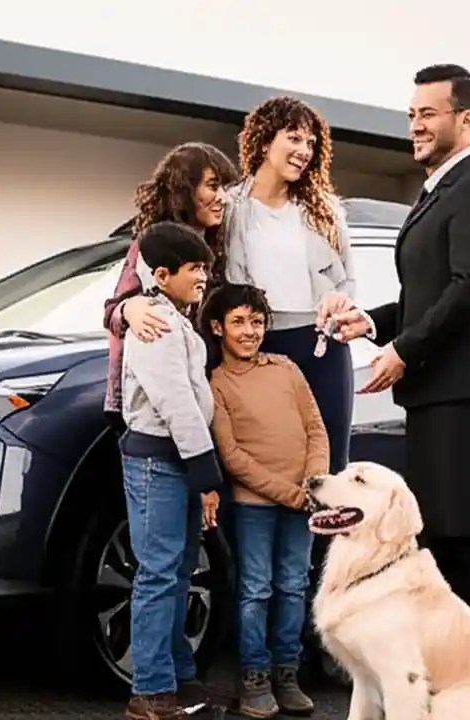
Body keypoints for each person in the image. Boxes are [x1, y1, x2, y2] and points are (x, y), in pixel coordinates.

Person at [331, 64, 470, 652]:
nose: (415, 124)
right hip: (438, 393)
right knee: (442, 540)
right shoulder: (437, 190)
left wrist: (403, 351)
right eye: (412, 113)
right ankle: (457, 680)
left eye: (428, 113)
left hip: (467, 391)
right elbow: (426, 294)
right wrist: (374, 322)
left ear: (466, 121)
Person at [121, 96, 358, 474]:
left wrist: (340, 301)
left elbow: (347, 281)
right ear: (265, 141)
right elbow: (169, 265)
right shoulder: (228, 207)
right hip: (252, 345)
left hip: (320, 348)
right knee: (259, 465)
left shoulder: (326, 210)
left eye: (311, 144)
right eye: (294, 138)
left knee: (328, 465)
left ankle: (320, 535)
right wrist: (126, 306)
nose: (303, 151)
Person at [199, 282, 328, 718]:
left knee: (294, 584)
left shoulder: (287, 369)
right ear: (218, 328)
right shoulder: (216, 384)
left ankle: (285, 673)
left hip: (303, 501)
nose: (249, 331)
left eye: (257, 322)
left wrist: (312, 483)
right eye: (238, 322)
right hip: (256, 504)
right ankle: (253, 676)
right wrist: (289, 493)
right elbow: (232, 457)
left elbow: (316, 428)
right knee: (256, 588)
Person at [118, 220, 225, 720]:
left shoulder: (177, 318)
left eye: (206, 266)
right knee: (159, 573)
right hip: (158, 462)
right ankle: (152, 694)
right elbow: (174, 401)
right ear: (162, 274)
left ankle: (180, 682)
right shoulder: (156, 324)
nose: (203, 277)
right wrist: (207, 473)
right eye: (193, 269)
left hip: (176, 459)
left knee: (179, 571)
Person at [103, 142, 241, 426]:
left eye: (225, 188)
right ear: (184, 191)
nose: (223, 198)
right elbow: (114, 311)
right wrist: (129, 308)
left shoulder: (219, 245)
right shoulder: (152, 246)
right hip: (155, 415)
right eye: (213, 186)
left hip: (207, 398)